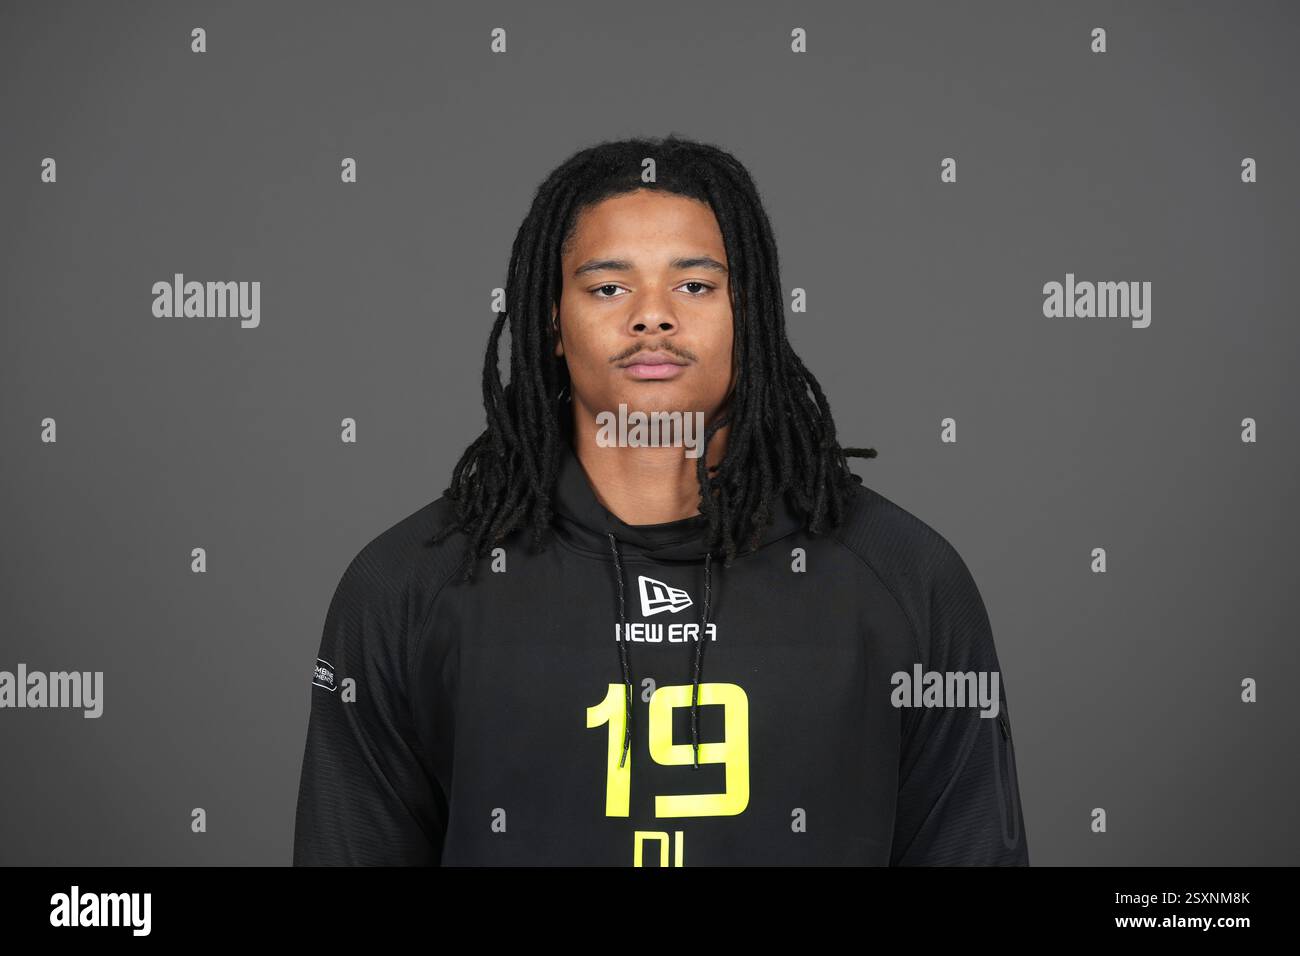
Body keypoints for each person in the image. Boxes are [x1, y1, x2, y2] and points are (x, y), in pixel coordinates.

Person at [292, 135, 1029, 866]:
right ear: (552, 320)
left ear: (754, 317)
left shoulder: (906, 580)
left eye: (695, 286)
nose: (653, 316)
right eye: (609, 287)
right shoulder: (408, 587)